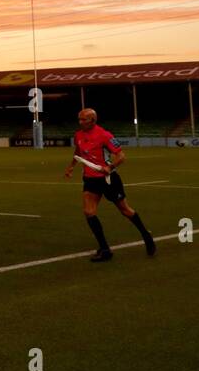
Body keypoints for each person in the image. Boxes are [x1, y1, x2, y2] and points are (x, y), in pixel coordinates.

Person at [64, 108, 155, 262]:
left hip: (108, 179)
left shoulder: (104, 135)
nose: (80, 122)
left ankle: (146, 235)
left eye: (84, 120)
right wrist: (71, 166)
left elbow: (121, 156)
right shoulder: (78, 135)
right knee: (89, 212)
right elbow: (78, 152)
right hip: (90, 179)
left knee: (125, 210)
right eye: (79, 119)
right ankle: (105, 249)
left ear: (93, 120)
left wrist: (110, 167)